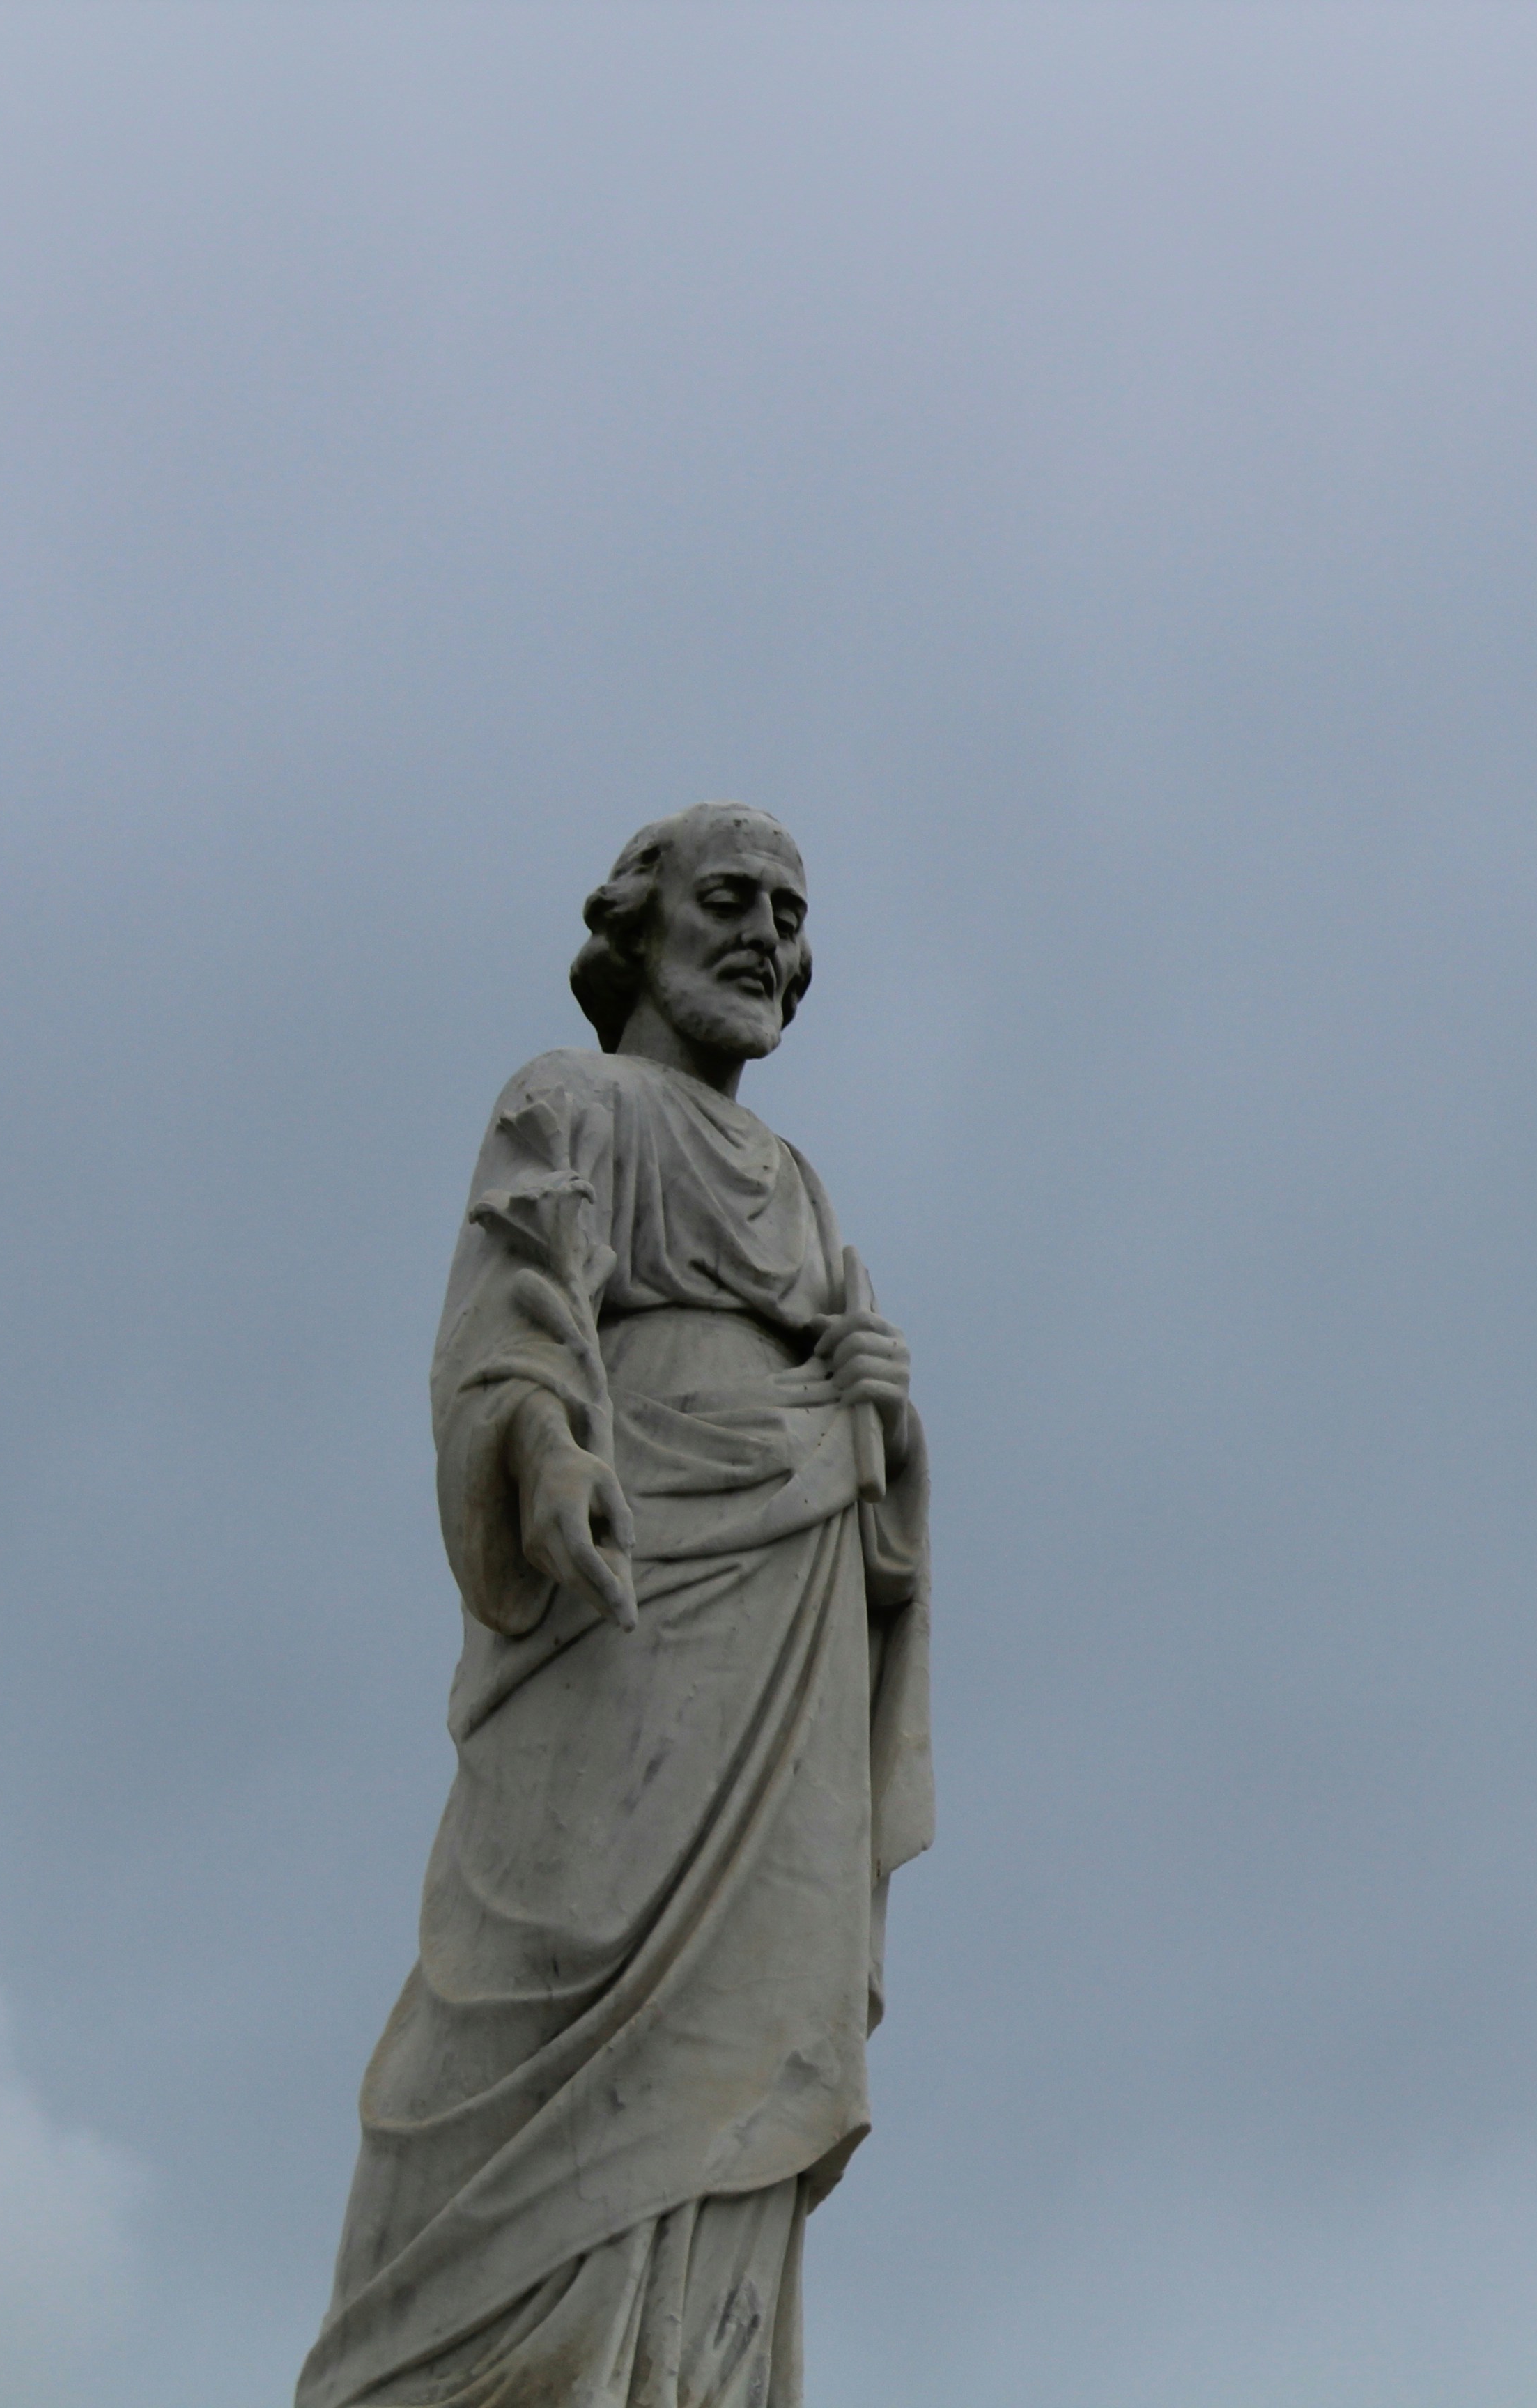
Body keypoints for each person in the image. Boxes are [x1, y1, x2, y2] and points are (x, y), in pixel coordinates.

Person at [300, 803, 930, 2408]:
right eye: (731, 901)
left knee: (739, 2071)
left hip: (786, 1640)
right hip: (622, 1606)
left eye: (791, 917)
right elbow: (512, 1310)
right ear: (638, 929)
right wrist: (544, 1446)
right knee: (525, 2001)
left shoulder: (801, 1188)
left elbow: (867, 1471)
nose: (766, 940)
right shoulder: (571, 1101)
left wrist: (885, 1428)